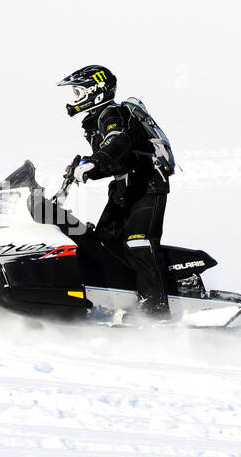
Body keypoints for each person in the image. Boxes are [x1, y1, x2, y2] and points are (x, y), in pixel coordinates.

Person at [58, 65, 172, 317]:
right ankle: (125, 298)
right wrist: (86, 168)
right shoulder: (94, 121)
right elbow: (116, 159)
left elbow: (118, 142)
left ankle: (157, 310)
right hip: (125, 187)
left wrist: (95, 162)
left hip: (147, 185)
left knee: (138, 242)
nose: (74, 99)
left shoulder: (112, 114)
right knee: (104, 243)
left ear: (95, 91)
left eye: (78, 92)